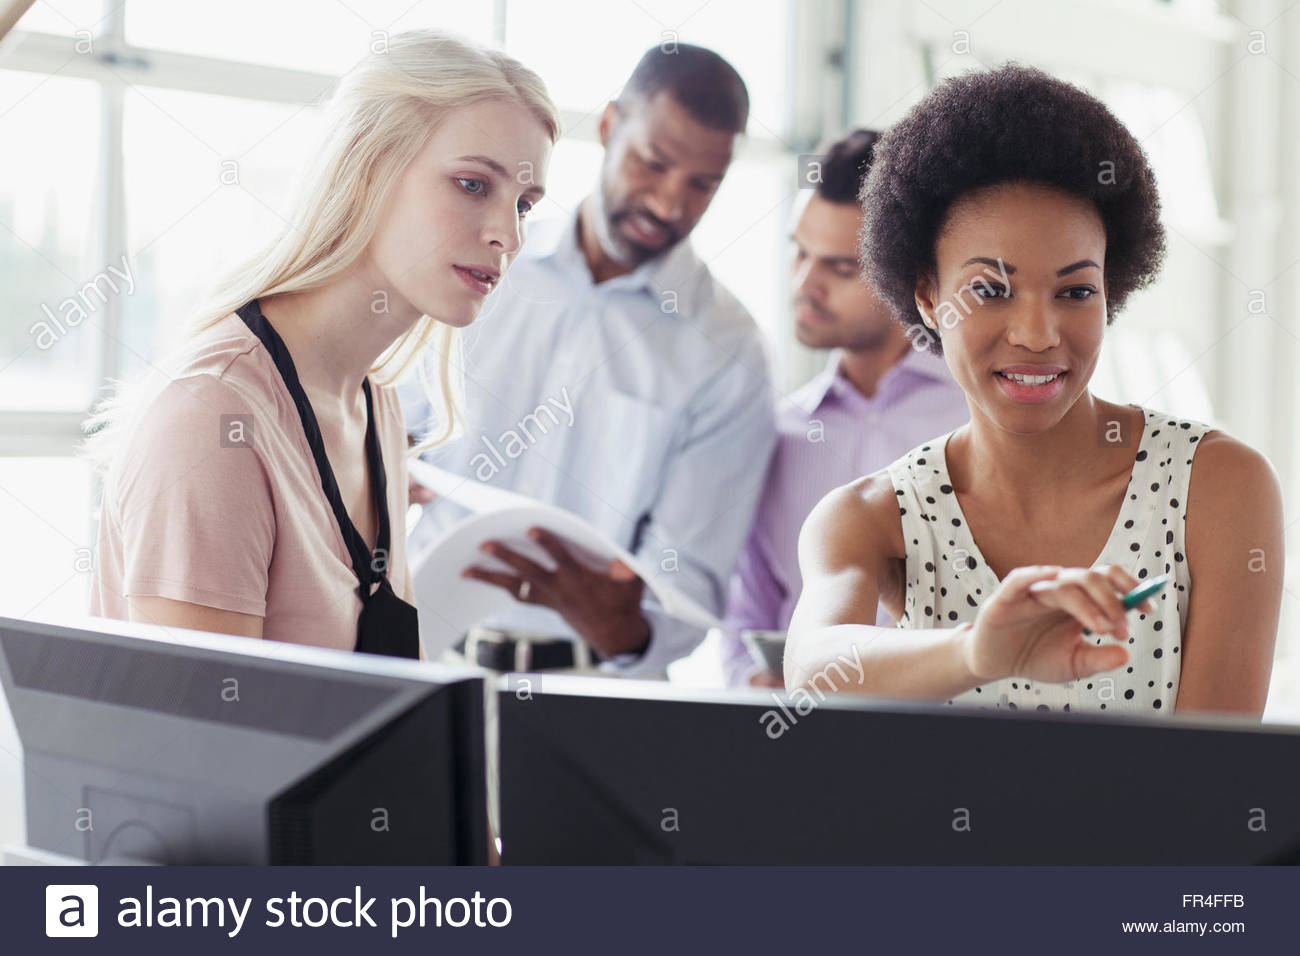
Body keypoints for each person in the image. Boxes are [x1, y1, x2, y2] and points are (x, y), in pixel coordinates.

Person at [785, 64, 1283, 718]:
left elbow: (1212, 784)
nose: (1038, 334)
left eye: (1076, 291)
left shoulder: (1216, 486)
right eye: (990, 290)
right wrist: (978, 652)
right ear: (929, 296)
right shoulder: (872, 516)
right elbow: (812, 669)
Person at [86, 31, 559, 658]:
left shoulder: (375, 403)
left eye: (525, 205)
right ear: (367, 170)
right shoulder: (215, 416)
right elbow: (200, 745)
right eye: (473, 184)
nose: (508, 235)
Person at [404, 44, 776, 678]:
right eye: (653, 164)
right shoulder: (480, 268)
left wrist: (627, 629)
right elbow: (392, 433)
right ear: (608, 127)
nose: (668, 204)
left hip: (593, 691)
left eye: (702, 184)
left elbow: (691, 587)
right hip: (420, 659)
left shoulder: (728, 351)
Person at [718, 129, 967, 686]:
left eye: (840, 267)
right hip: (796, 746)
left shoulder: (981, 420)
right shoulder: (780, 429)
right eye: (800, 252)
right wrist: (754, 684)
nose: (806, 282)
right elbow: (745, 616)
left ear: (911, 276)